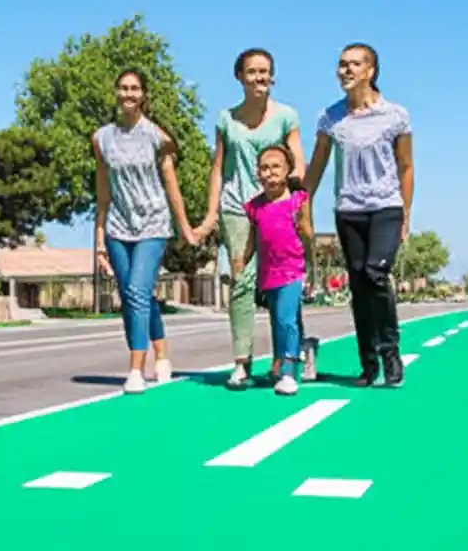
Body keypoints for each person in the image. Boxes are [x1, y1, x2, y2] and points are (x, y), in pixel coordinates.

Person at [193, 48, 304, 389]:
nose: (260, 77)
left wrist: (290, 199)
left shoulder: (286, 116)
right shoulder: (227, 118)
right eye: (252, 71)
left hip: (275, 207)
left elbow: (298, 164)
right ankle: (242, 362)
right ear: (239, 76)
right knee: (242, 284)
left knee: (279, 284)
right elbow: (217, 168)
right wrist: (210, 215)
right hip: (236, 208)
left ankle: (283, 360)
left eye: (265, 71)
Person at [304, 42, 413, 387]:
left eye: (354, 64)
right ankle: (368, 363)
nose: (346, 70)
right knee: (359, 286)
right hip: (349, 210)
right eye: (341, 64)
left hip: (386, 207)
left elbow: (406, 166)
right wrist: (300, 207)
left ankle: (390, 351)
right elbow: (317, 166)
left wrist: (405, 214)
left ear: (370, 71)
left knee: (375, 275)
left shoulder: (395, 116)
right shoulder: (330, 117)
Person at [94, 69, 198, 394]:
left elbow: (171, 184)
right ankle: (162, 347)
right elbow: (102, 190)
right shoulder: (101, 138)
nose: (128, 94)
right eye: (123, 88)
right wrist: (98, 237)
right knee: (130, 297)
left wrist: (185, 229)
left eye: (135, 89)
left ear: (143, 95)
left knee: (138, 292)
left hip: (153, 223)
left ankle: (136, 368)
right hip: (117, 227)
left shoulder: (157, 136)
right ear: (116, 92)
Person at [241, 144, 314, 395]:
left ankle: (289, 372)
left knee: (286, 320)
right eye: (264, 168)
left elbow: (307, 234)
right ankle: (301, 351)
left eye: (276, 167)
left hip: (293, 269)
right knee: (278, 322)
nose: (270, 172)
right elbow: (253, 240)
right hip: (268, 273)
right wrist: (241, 261)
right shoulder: (254, 207)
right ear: (258, 174)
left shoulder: (297, 201)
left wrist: (312, 270)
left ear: (287, 171)